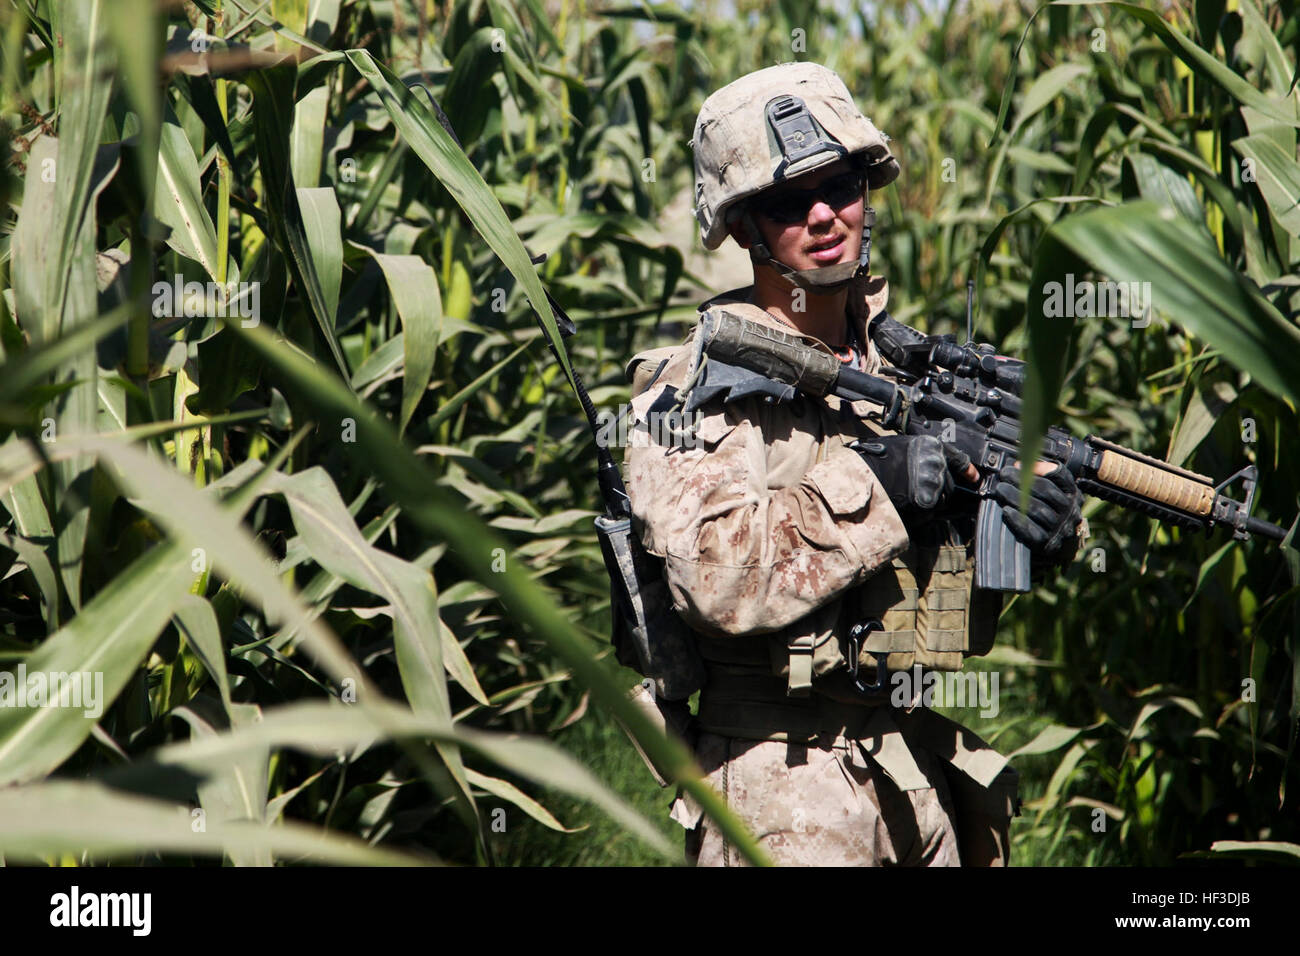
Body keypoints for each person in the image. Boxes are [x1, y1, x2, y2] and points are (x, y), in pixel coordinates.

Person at [622, 62, 1083, 866]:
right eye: (788, 201)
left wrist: (1026, 530)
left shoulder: (914, 372)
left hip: (915, 767)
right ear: (743, 227)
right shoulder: (694, 388)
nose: (825, 214)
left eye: (840, 184)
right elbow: (716, 579)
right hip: (781, 783)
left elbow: (925, 593)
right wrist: (882, 484)